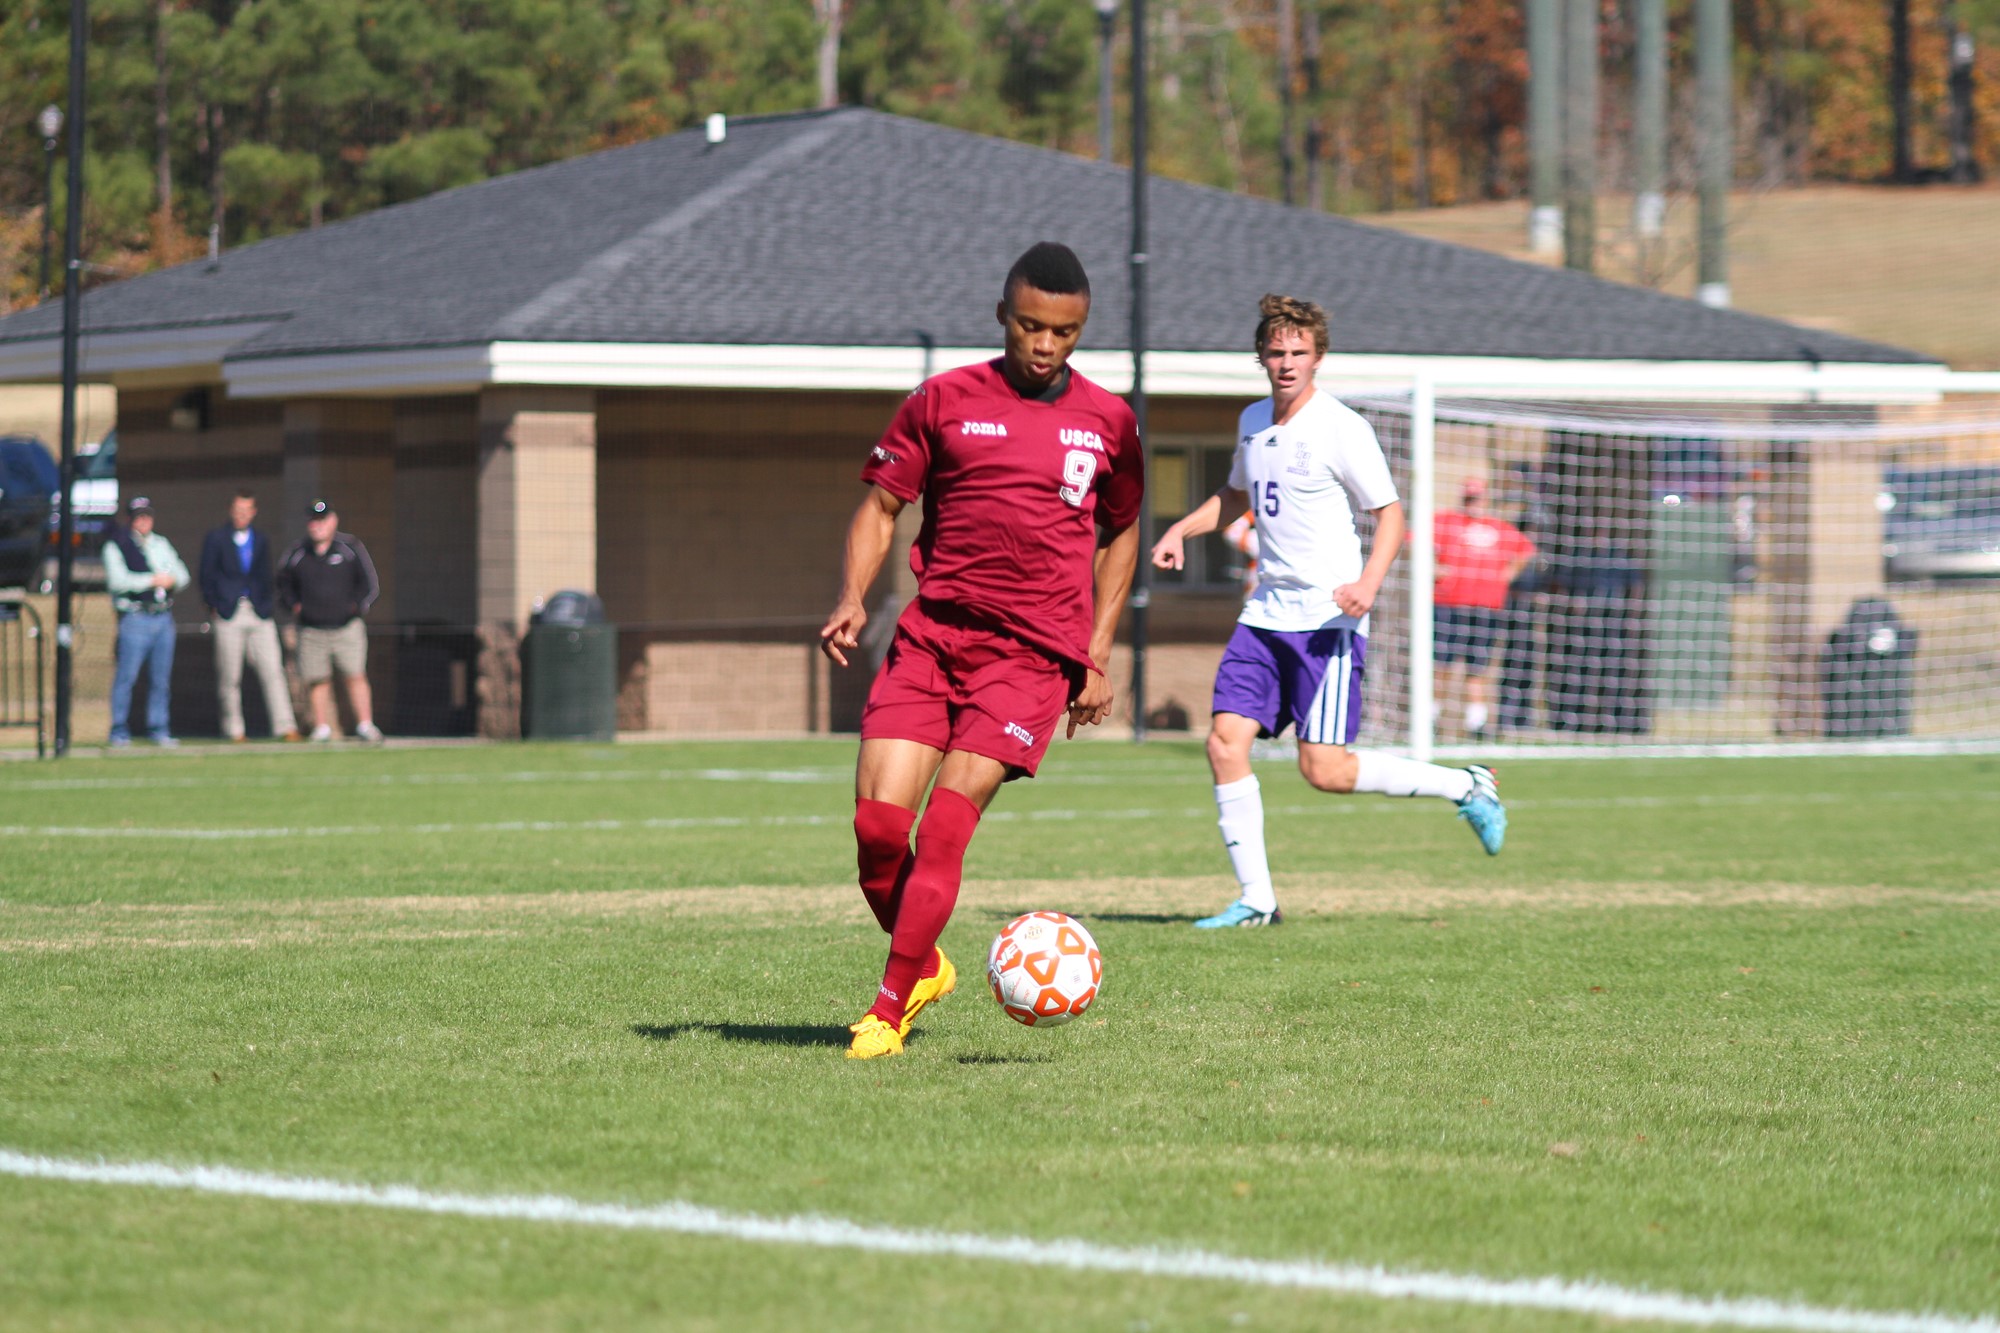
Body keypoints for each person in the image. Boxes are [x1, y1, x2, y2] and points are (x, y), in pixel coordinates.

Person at [819, 241, 1143, 1060]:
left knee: (945, 833)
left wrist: (1097, 652)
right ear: (1003, 314)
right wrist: (854, 596)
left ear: (1082, 329)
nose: (1044, 345)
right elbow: (882, 506)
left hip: (1032, 658)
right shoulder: (942, 400)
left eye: (1063, 332)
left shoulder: (1109, 420)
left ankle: (886, 1011)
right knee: (876, 831)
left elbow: (1123, 530)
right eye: (1030, 325)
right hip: (932, 637)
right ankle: (923, 963)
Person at [1150, 294, 1507, 930]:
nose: (1286, 363)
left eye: (1298, 353)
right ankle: (1257, 899)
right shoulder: (1253, 420)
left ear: (1318, 359)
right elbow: (1237, 495)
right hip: (1264, 616)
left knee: (1326, 770)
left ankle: (1466, 784)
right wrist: (1183, 529)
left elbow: (1391, 515)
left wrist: (1368, 584)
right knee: (1224, 743)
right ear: (1260, 355)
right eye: (1276, 352)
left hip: (1326, 623)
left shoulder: (1342, 427)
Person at [1433, 476, 1536, 740]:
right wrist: (1433, 568)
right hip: (1448, 603)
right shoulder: (1444, 521)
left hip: (1485, 607)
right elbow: (1413, 542)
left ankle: (1476, 723)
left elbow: (1526, 551)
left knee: (1477, 668)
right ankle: (1430, 719)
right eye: (1469, 498)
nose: (1473, 503)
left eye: (1477, 498)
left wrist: (1507, 575)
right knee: (1440, 665)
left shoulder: (1499, 527)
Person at [277, 499, 383, 744]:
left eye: (322, 520)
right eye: (313, 521)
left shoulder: (350, 547)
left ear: (333, 521)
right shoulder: (297, 552)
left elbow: (369, 584)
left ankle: (365, 725)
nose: (317, 526)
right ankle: (322, 727)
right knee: (318, 679)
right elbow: (282, 584)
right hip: (311, 628)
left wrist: (356, 607)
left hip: (346, 627)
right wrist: (294, 606)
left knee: (354, 674)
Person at [200, 490, 301, 743]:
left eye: (247, 510)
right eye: (238, 510)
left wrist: (266, 604)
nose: (242, 515)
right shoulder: (216, 538)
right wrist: (215, 604)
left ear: (254, 512)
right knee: (230, 676)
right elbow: (206, 575)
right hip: (229, 613)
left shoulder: (261, 540)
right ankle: (234, 729)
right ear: (231, 510)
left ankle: (285, 726)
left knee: (273, 670)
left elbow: (267, 575)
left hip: (258, 612)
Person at [103, 495, 190, 747]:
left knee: (160, 679)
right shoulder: (117, 545)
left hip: (162, 616)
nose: (143, 521)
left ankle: (158, 728)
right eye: (138, 516)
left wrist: (170, 581)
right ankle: (118, 729)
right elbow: (118, 581)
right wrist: (151, 580)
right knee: (126, 676)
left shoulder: (160, 544)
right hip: (135, 617)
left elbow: (182, 575)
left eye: (147, 516)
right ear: (129, 519)